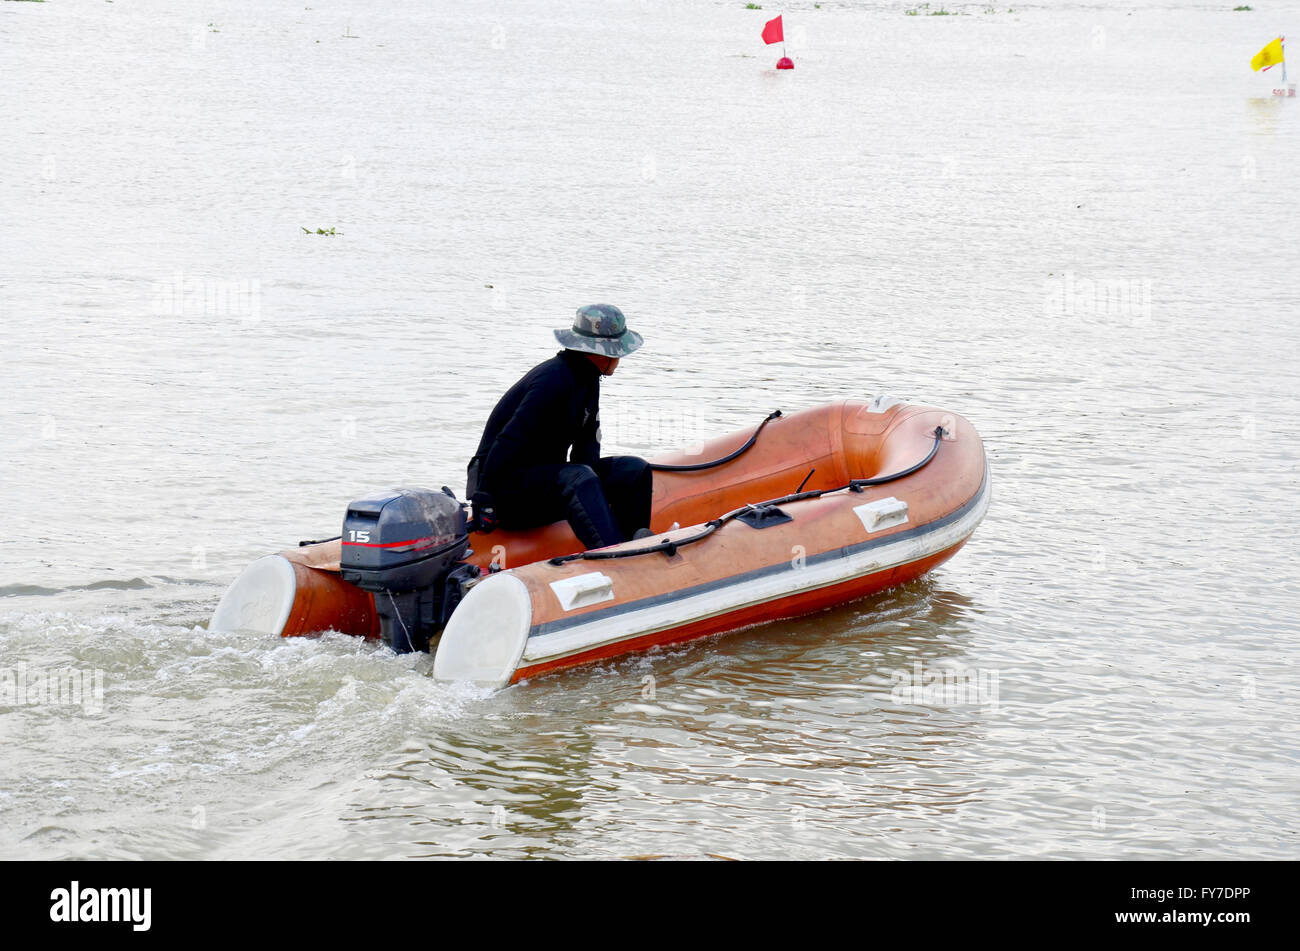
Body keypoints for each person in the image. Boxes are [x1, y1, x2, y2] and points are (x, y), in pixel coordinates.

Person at [466, 304, 652, 550]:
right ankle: (614, 555)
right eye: (617, 352)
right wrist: (484, 499)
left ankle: (634, 548)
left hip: (543, 484)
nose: (619, 359)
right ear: (600, 352)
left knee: (634, 469)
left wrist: (603, 486)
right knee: (578, 477)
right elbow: (508, 441)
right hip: (507, 495)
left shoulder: (588, 380)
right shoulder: (553, 380)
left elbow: (586, 454)